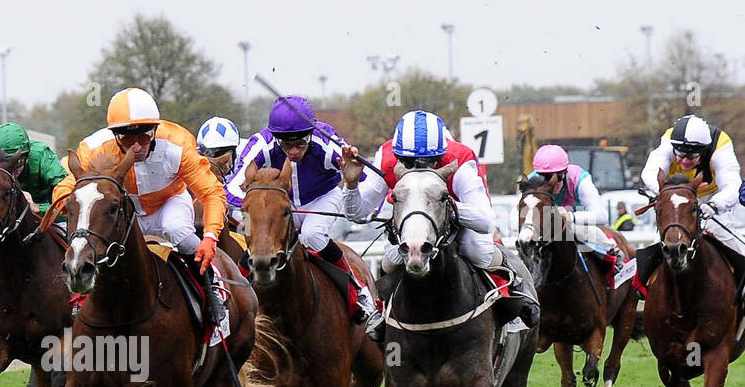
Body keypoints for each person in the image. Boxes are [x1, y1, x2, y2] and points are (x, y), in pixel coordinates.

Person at [345, 109, 539, 337]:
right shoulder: (386, 157)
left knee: (477, 250)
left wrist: (445, 206)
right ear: (397, 156)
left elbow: (485, 221)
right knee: (390, 262)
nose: (419, 169)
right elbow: (357, 213)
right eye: (407, 163)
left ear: (441, 153)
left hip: (459, 220)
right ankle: (382, 312)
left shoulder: (461, 158)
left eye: (429, 162)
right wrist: (351, 185)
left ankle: (513, 286)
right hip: (414, 227)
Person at [50, 87, 228, 326]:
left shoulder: (177, 142)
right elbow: (65, 187)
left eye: (144, 136)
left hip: (169, 203)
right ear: (114, 135)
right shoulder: (95, 148)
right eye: (126, 137)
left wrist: (209, 236)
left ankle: (210, 287)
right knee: (99, 239)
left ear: (155, 129)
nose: (136, 146)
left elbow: (211, 192)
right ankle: (83, 297)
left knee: (178, 231)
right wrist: (70, 205)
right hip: (124, 209)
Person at [224, 95, 381, 334]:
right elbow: (231, 189)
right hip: (282, 205)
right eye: (286, 145)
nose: (293, 151)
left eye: (300, 143)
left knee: (312, 235)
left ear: (311, 132)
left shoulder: (326, 143)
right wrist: (256, 207)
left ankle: (359, 294)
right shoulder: (260, 143)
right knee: (260, 245)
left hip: (321, 199)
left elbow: (368, 180)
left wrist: (353, 176)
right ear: (275, 137)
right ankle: (231, 305)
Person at [640, 113, 745, 283]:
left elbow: (732, 185)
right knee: (660, 244)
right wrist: (663, 194)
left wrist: (714, 205)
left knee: (730, 241)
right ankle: (641, 291)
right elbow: (650, 172)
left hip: (712, 198)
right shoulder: (669, 141)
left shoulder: (721, 146)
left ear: (704, 150)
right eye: (680, 155)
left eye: (692, 156)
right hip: (677, 199)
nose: (685, 161)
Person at [524, 144, 625, 266]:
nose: (553, 183)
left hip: (577, 225)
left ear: (565, 172)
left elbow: (602, 216)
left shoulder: (579, 179)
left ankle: (613, 255)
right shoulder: (531, 182)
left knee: (588, 231)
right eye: (546, 178)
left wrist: (569, 217)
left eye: (558, 176)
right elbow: (517, 215)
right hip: (544, 229)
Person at [0, 122, 69, 227]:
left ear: (28, 154)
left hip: (43, 220)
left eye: (19, 161)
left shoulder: (41, 156)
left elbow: (70, 204)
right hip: (5, 223)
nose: (15, 169)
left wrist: (37, 208)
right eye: (7, 163)